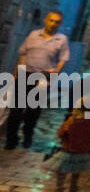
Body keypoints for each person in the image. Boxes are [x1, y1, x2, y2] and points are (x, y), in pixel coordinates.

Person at [5, 11, 69, 150]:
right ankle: (11, 139)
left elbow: (63, 58)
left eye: (57, 22)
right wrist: (16, 73)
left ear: (60, 23)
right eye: (51, 20)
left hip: (43, 77)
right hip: (26, 74)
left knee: (33, 111)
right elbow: (23, 54)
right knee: (16, 109)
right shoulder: (34, 35)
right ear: (46, 20)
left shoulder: (61, 39)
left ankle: (28, 136)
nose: (53, 24)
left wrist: (56, 72)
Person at [45, 100, 90, 192]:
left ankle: (59, 189)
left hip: (67, 150)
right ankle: (73, 189)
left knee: (62, 170)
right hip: (82, 151)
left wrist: (65, 139)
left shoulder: (71, 120)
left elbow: (61, 134)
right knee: (76, 171)